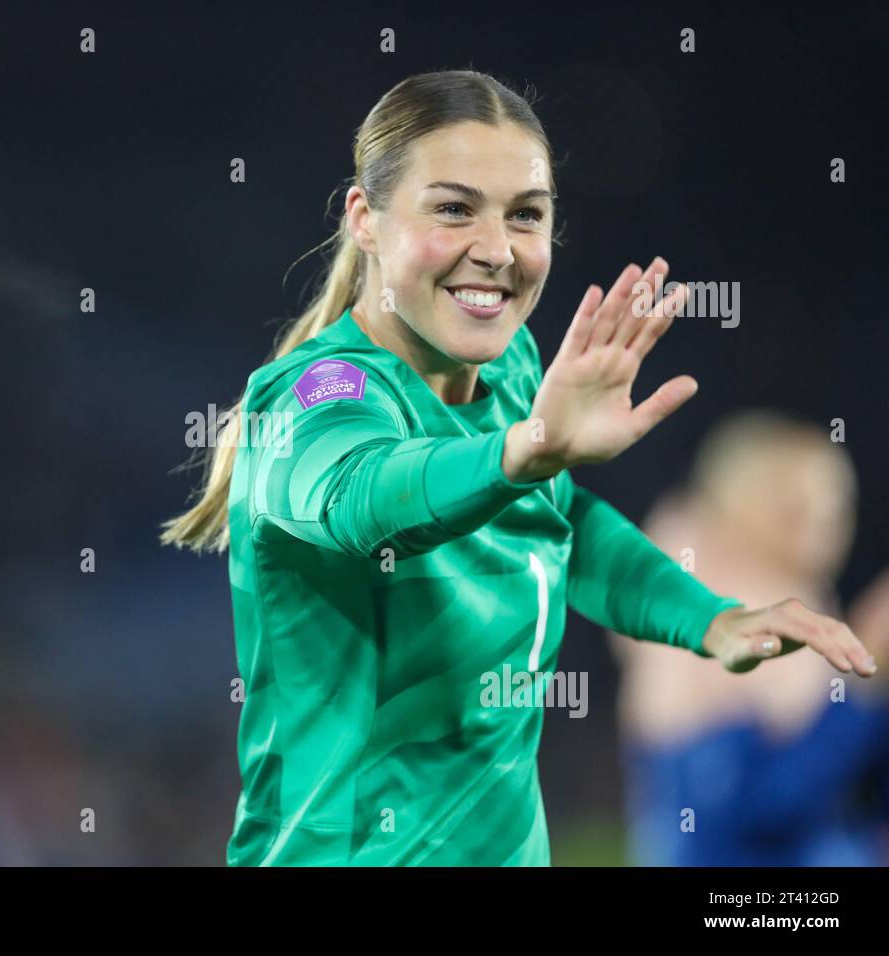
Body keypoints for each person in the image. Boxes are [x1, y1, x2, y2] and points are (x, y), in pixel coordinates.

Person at [161, 69, 876, 866]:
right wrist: (523, 450)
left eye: (525, 216)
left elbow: (556, 519)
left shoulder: (511, 374)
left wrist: (708, 620)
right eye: (454, 208)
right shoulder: (314, 396)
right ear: (365, 219)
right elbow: (360, 498)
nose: (496, 250)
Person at [610, 410, 889, 865]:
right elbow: (762, 812)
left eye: (836, 510)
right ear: (745, 506)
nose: (826, 532)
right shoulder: (710, 607)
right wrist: (863, 684)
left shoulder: (803, 596)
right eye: (795, 510)